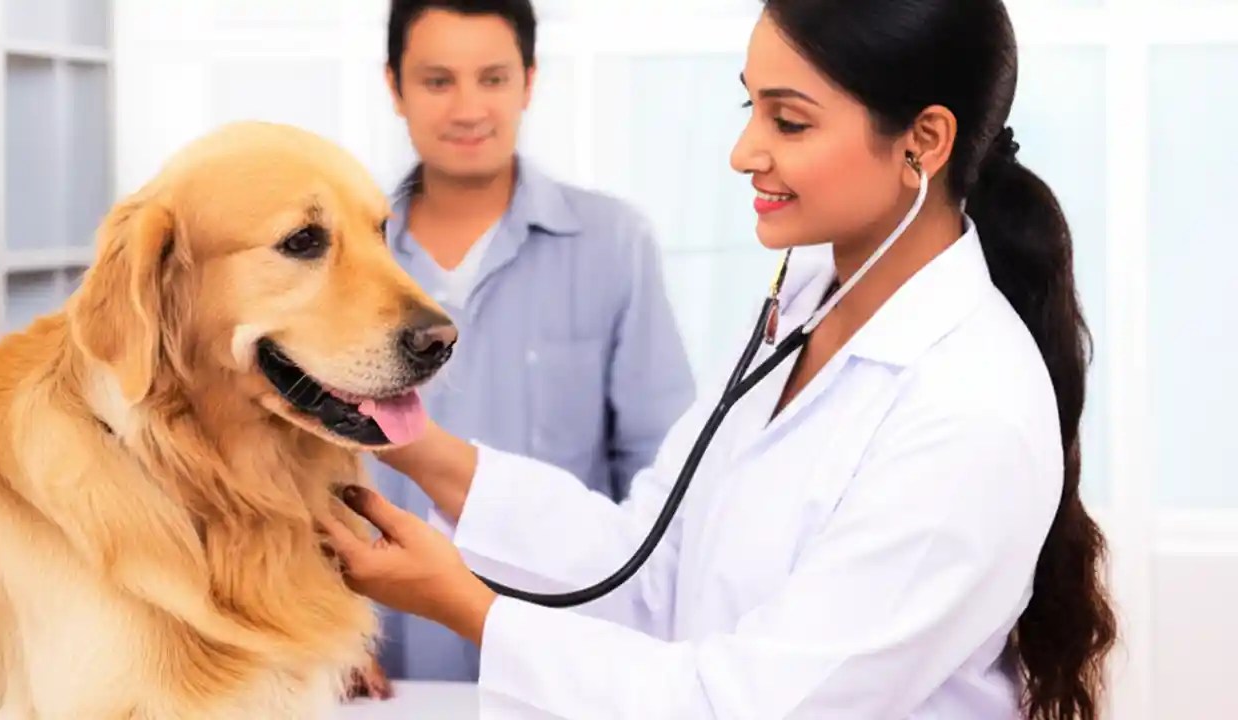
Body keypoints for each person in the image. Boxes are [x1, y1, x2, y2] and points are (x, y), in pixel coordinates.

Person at [325, 0, 1118, 717]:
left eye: (790, 122)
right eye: (752, 106)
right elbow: (649, 568)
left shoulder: (969, 413)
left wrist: (465, 606)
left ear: (925, 141)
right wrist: (419, 449)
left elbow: (746, 705)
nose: (744, 152)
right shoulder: (805, 306)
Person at [363, 0, 697, 685]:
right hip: (383, 674)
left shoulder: (614, 245)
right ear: (394, 85)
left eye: (492, 78)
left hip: (563, 667)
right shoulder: (340, 262)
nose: (467, 108)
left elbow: (663, 479)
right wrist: (318, 632)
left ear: (530, 81)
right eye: (437, 81)